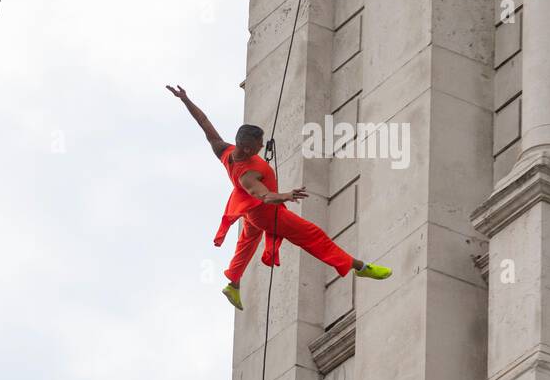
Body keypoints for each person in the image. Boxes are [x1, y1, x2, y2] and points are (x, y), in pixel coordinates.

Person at [166, 84, 392, 310]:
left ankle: (233, 284)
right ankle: (360, 267)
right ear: (245, 148)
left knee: (246, 244)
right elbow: (264, 197)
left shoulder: (224, 150)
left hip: (250, 210)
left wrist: (185, 100)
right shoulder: (247, 175)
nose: (262, 146)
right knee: (313, 236)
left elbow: (204, 123)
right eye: (258, 145)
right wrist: (286, 195)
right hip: (265, 212)